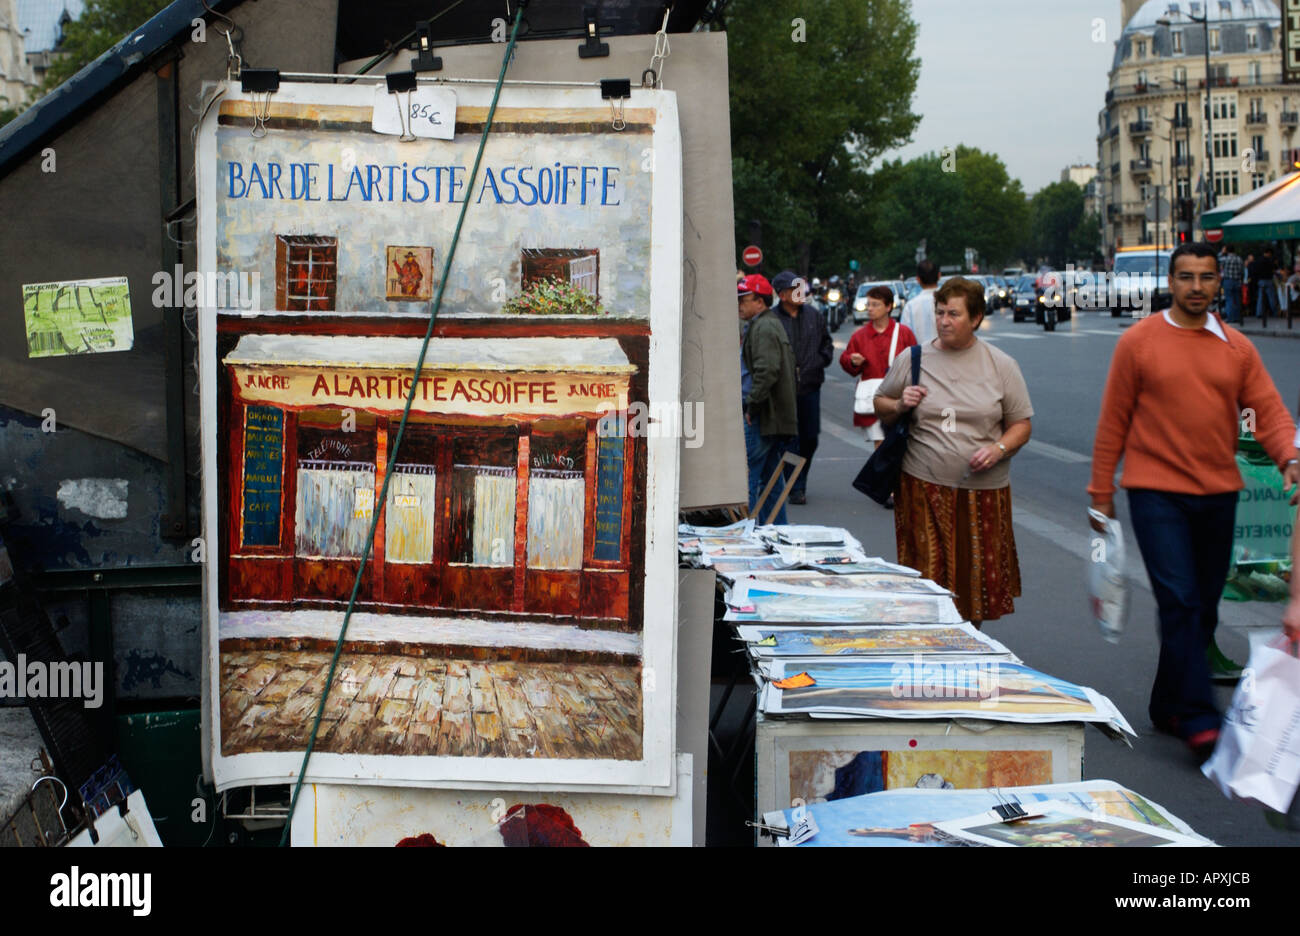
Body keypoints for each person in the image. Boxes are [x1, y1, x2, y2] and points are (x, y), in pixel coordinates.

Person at [1088, 240, 1300, 763]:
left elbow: (1269, 413)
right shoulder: (1139, 343)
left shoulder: (1236, 348)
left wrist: (1290, 460)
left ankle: (1169, 701)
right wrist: (1100, 494)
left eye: (1207, 277)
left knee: (1201, 606)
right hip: (1155, 493)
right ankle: (1202, 719)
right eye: (1187, 277)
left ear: (1216, 284)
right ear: (1172, 282)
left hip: (1218, 493)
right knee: (1179, 600)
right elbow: (1113, 420)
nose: (1198, 287)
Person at [874, 277, 1034, 627]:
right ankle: (932, 651)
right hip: (922, 486)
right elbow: (881, 403)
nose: (944, 321)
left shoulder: (1000, 365)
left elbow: (1021, 424)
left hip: (983, 494)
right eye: (940, 312)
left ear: (976, 318)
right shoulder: (913, 358)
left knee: (973, 586)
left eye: (954, 314)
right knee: (929, 581)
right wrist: (901, 402)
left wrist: (999, 448)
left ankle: (967, 649)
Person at [771, 269, 833, 506]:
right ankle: (795, 486)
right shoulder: (773, 319)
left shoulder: (814, 316)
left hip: (810, 387)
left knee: (810, 438)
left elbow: (826, 345)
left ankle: (799, 477)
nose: (800, 294)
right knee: (789, 439)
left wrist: (820, 361)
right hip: (782, 391)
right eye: (794, 290)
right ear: (782, 294)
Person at [739, 273, 797, 524]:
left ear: (760, 302)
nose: (739, 304)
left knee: (749, 478)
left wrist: (753, 404)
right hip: (771, 416)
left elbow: (767, 371)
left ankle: (747, 533)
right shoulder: (765, 323)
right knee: (771, 480)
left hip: (764, 415)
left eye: (745, 299)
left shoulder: (763, 326)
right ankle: (777, 531)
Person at [900, 259, 940, 347]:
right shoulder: (949, 301)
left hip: (919, 356)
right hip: (947, 356)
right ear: (939, 275)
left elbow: (904, 336)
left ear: (918, 279)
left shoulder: (910, 306)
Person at [1252, 247, 1279, 321]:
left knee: (1260, 298)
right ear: (1269, 253)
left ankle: (1259, 313)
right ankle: (1275, 313)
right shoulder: (1269, 261)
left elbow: (1255, 271)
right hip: (1268, 280)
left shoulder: (1259, 260)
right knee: (1271, 297)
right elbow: (1274, 269)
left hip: (1261, 281)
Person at [1218, 245, 1243, 324]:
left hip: (1228, 280)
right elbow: (1242, 270)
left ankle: (1230, 317)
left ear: (1227, 251)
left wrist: (1222, 252)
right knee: (1237, 299)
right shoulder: (1239, 259)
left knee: (1229, 299)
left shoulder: (1225, 259)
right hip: (1237, 280)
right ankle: (1237, 317)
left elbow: (1217, 259)